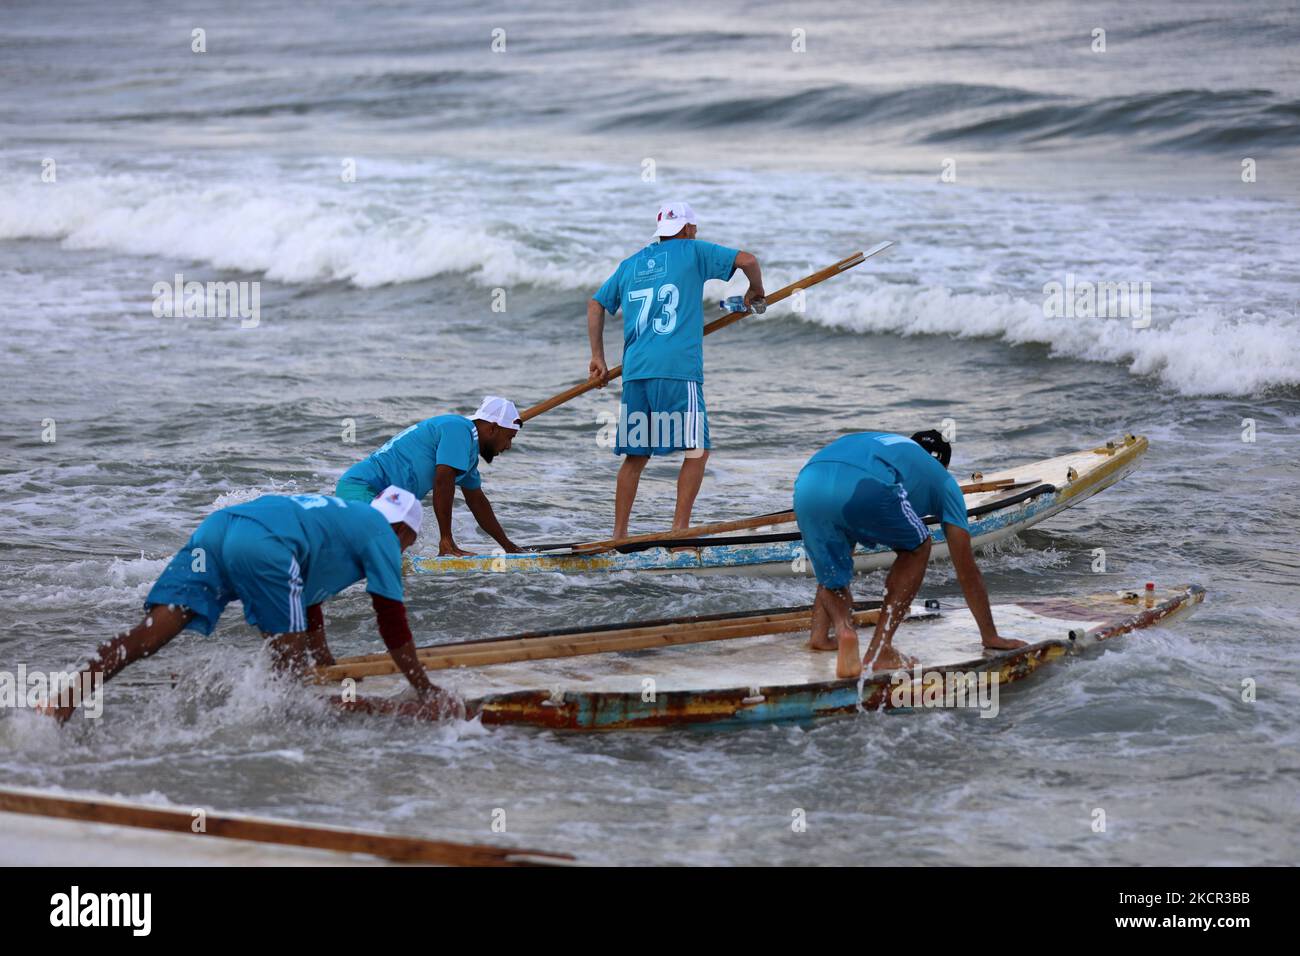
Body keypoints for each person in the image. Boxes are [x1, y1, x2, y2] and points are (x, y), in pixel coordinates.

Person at [45, 487, 452, 722]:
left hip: (218, 528)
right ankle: (269, 737)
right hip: (266, 545)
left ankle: (64, 699)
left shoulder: (343, 515)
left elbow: (306, 596)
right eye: (408, 543)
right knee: (288, 671)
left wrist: (324, 659)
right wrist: (425, 689)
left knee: (156, 630)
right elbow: (391, 618)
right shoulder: (383, 534)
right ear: (403, 530)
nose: (401, 550)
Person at [587, 201, 764, 539]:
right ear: (687, 230)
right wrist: (756, 290)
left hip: (636, 373)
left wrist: (598, 357)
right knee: (697, 449)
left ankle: (618, 535)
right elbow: (748, 260)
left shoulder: (632, 264)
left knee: (636, 456)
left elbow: (596, 303)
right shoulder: (692, 250)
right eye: (693, 229)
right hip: (678, 370)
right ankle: (679, 532)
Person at [792, 430, 1027, 679]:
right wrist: (990, 636)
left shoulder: (889, 445)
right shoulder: (944, 482)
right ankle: (881, 650)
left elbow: (844, 469)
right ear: (945, 465)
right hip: (867, 484)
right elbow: (966, 569)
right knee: (918, 547)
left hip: (809, 481)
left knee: (832, 564)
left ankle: (832, 632)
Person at [335, 396, 521, 556]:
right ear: (492, 429)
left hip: (384, 498)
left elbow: (477, 502)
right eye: (510, 437)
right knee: (383, 549)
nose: (508, 446)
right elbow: (443, 481)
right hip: (363, 487)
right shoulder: (458, 428)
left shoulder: (468, 456)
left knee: (393, 546)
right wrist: (446, 540)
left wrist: (508, 547)